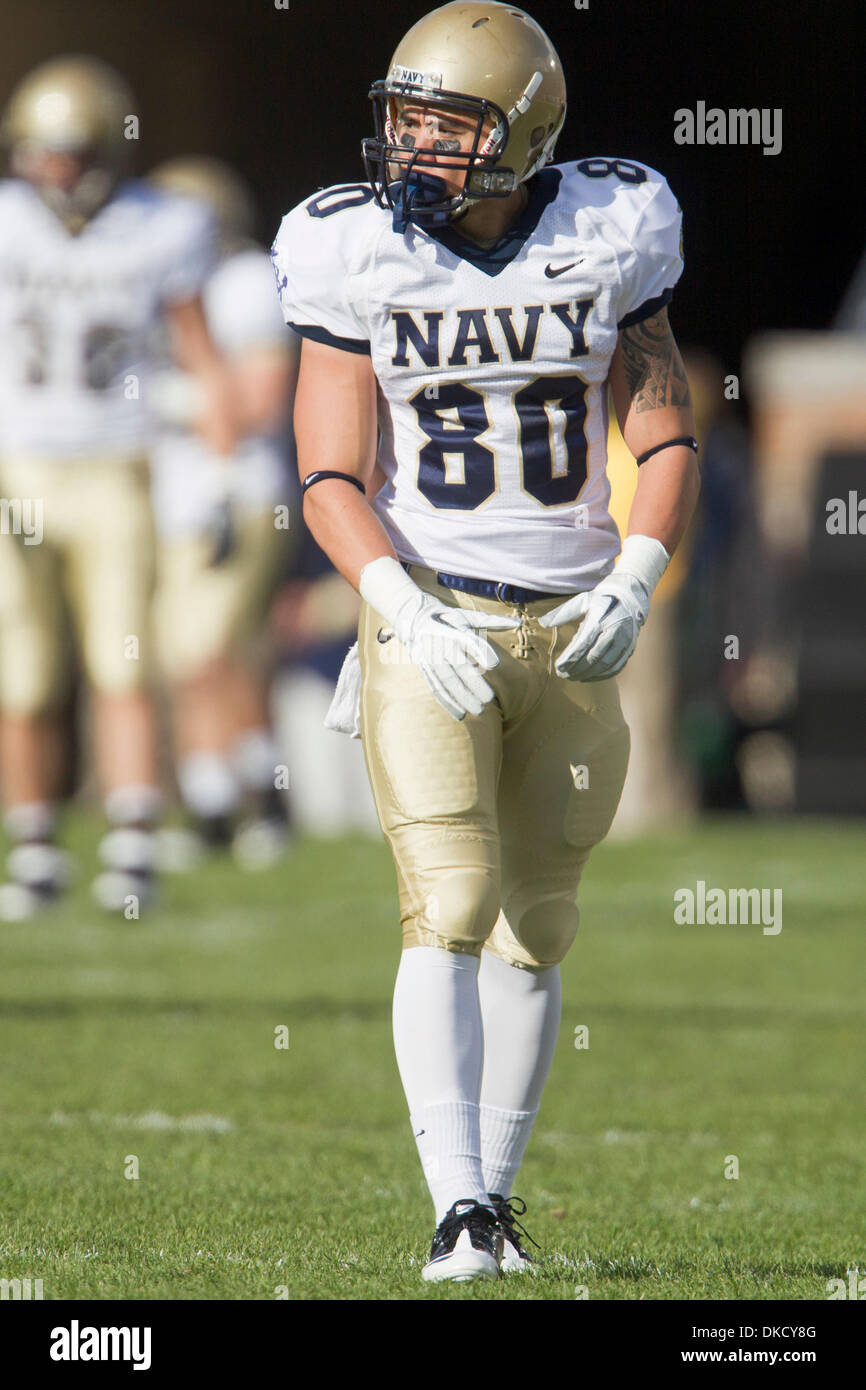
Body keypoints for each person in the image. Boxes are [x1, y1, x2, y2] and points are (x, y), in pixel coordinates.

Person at [271, 0, 699, 1282]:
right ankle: (451, 1204)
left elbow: (663, 427)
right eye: (402, 122)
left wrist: (637, 570)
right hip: (432, 609)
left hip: (571, 616)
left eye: (445, 128)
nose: (412, 151)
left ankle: (495, 1204)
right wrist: (391, 602)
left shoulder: (612, 225)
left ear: (521, 134)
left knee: (542, 919)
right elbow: (327, 470)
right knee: (444, 901)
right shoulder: (351, 250)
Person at [0, 57, 233, 917]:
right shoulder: (8, 222)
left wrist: (213, 475)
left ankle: (132, 839)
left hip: (114, 470)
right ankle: (33, 846)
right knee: (21, 673)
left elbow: (199, 355)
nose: (52, 169)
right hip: (19, 470)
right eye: (39, 151)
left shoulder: (160, 225)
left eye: (67, 151)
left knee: (121, 660)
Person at [147, 157, 297, 866]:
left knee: (213, 648)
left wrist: (165, 397)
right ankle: (212, 805)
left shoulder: (244, 284)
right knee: (188, 657)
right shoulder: (154, 288)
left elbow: (259, 402)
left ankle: (265, 801)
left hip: (238, 490)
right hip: (173, 498)